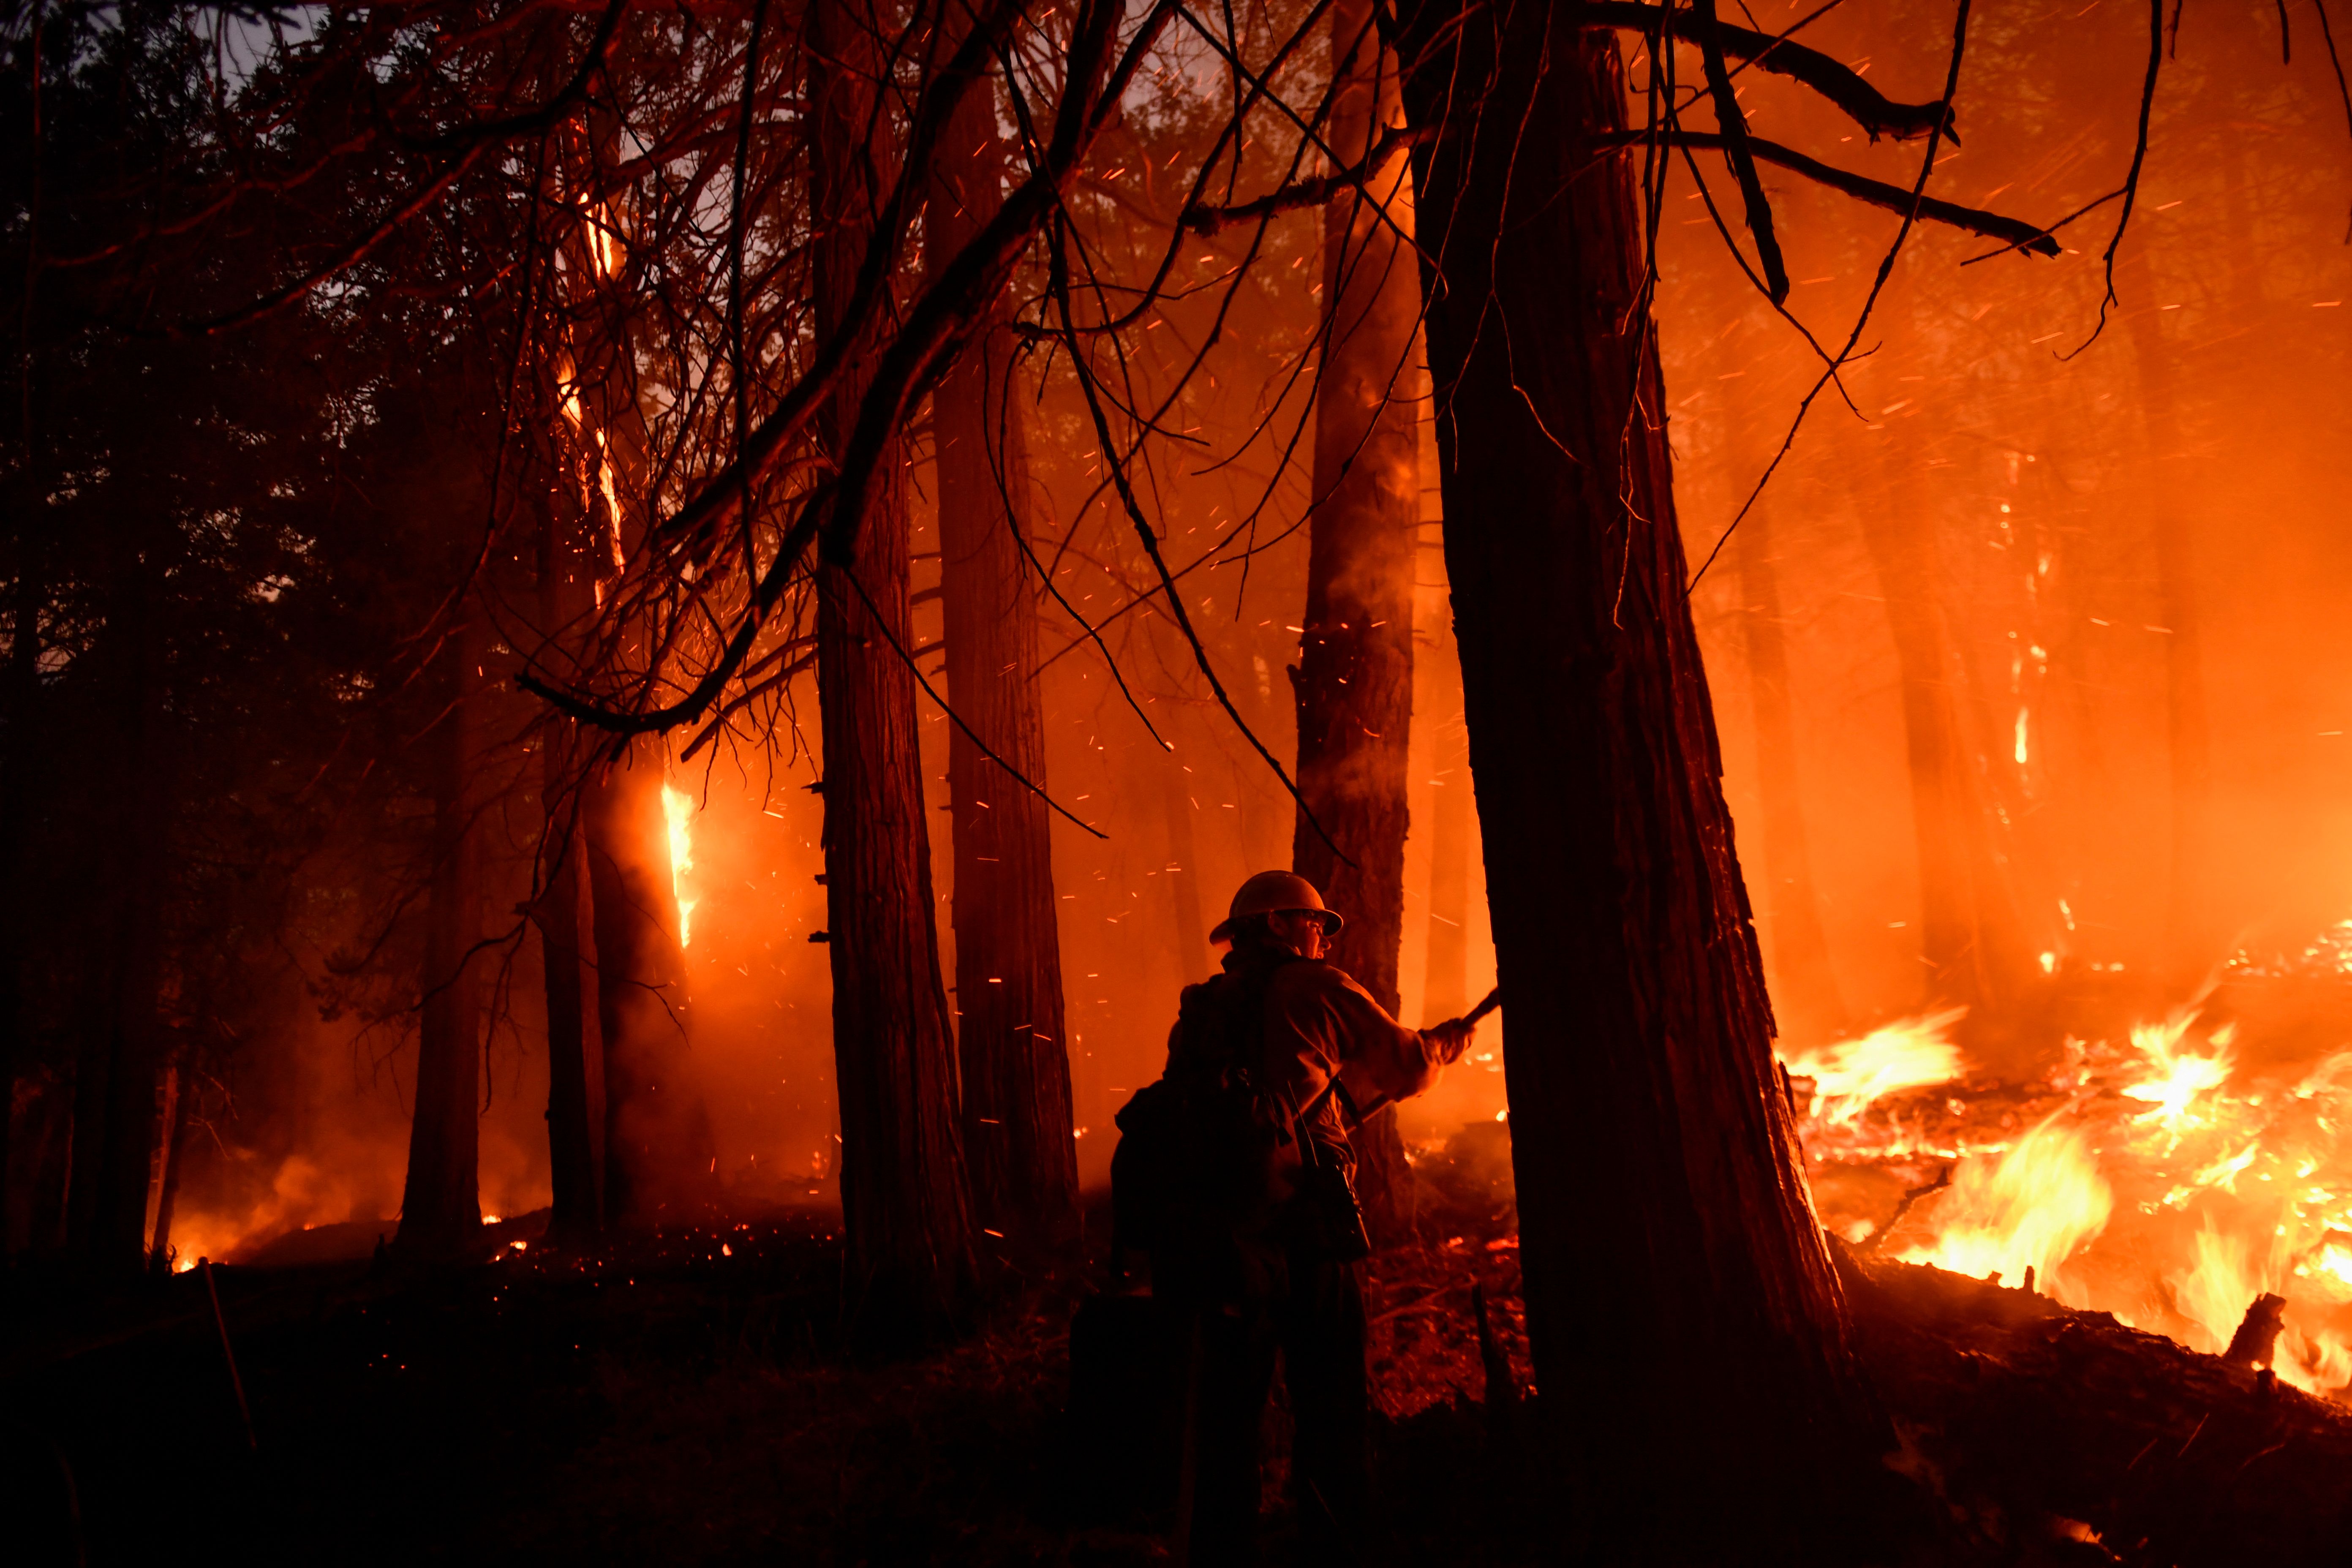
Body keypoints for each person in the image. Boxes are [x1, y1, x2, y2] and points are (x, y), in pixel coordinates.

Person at [1123, 870, 1479, 1565]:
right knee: (1331, 1400)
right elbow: (1405, 1067)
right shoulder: (1317, 987)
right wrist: (1441, 1046)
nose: (1321, 935)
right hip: (1307, 1224)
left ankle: (1220, 1549)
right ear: (1279, 926)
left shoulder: (1203, 1007)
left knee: (1225, 1413)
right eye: (1312, 923)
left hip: (1220, 1235)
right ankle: (1336, 1544)